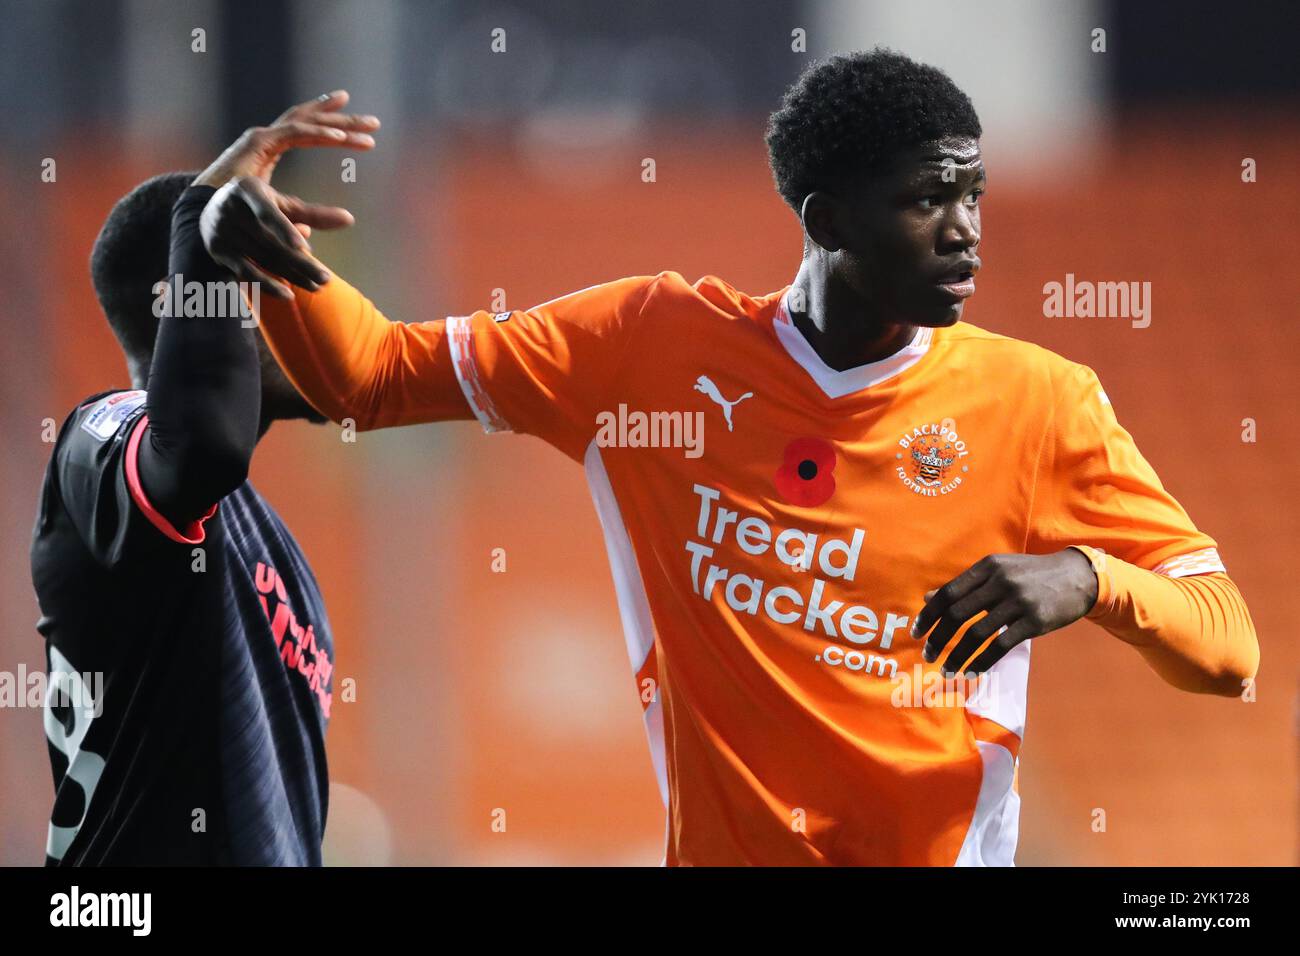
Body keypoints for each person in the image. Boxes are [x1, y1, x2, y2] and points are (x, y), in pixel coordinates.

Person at [202, 54, 1259, 866]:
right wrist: (259, 248)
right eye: (926, 199)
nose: (964, 231)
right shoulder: (646, 347)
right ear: (826, 218)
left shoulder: (1040, 401)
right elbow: (374, 376)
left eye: (972, 195)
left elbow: (1228, 650)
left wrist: (1089, 578)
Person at [30, 93, 378, 864]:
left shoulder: (263, 536)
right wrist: (202, 220)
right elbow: (201, 449)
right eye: (277, 280)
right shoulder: (99, 438)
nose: (311, 303)